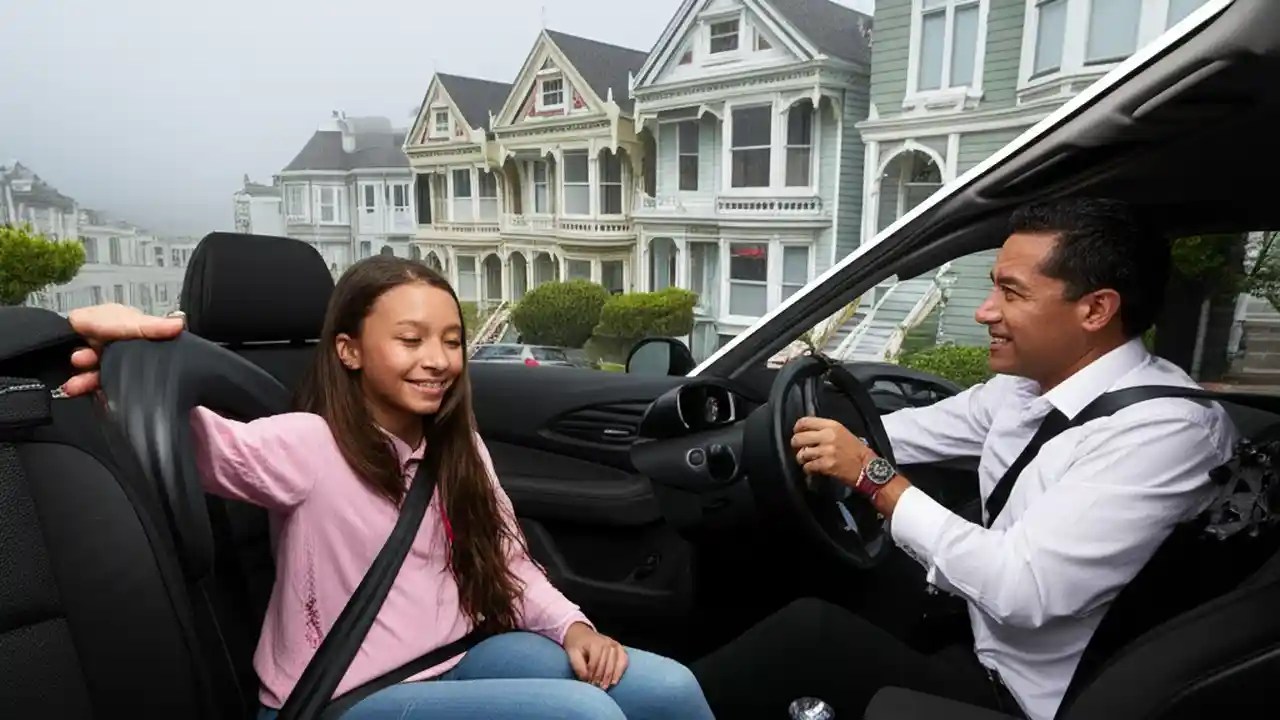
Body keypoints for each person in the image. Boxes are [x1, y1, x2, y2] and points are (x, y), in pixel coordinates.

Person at [62, 256, 714, 720]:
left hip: (449, 660)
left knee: (668, 687)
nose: (437, 358)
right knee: (582, 716)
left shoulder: (456, 447)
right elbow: (195, 440)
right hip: (344, 697)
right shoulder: (307, 444)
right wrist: (119, 361)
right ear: (349, 351)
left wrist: (572, 626)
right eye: (410, 340)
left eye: (452, 340)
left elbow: (509, 560)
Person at [691, 198, 1238, 720]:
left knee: (809, 636)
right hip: (975, 623)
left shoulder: (1163, 433)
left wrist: (872, 477)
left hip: (1021, 693)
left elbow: (1018, 588)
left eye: (1011, 292)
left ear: (1095, 309)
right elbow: (899, 435)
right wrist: (788, 435)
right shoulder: (1032, 387)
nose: (985, 311)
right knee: (820, 582)